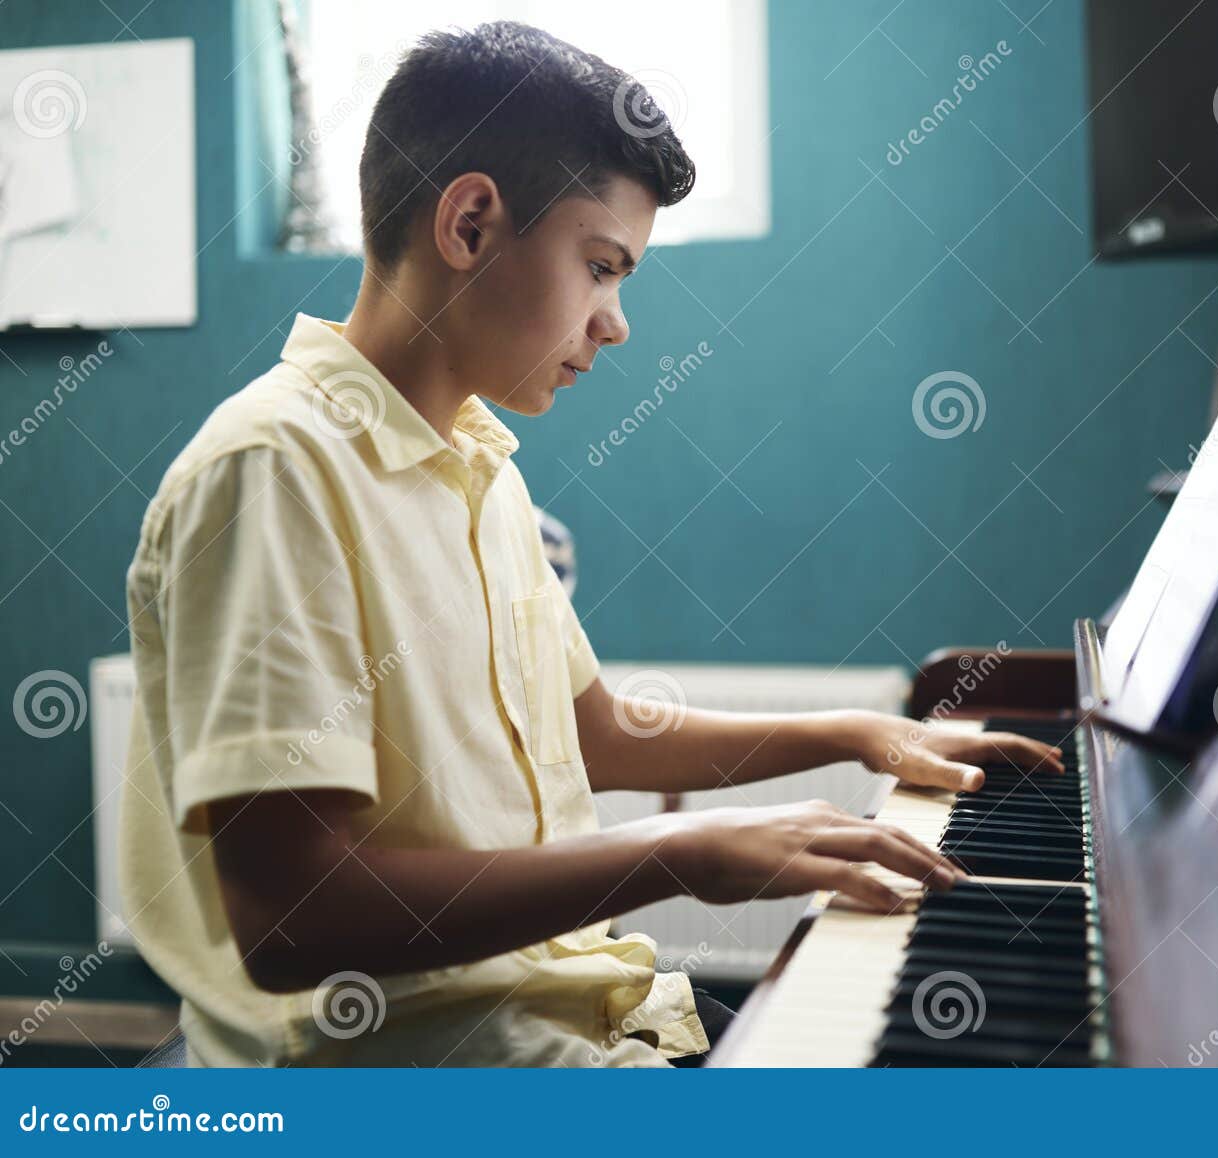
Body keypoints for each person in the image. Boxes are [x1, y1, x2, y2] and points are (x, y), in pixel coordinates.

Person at [120, 21, 1064, 1068]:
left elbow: (599, 730)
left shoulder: (481, 463)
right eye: (602, 267)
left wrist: (852, 732)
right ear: (470, 223)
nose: (617, 324)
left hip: (575, 1002)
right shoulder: (273, 469)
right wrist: (675, 851)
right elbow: (294, 919)